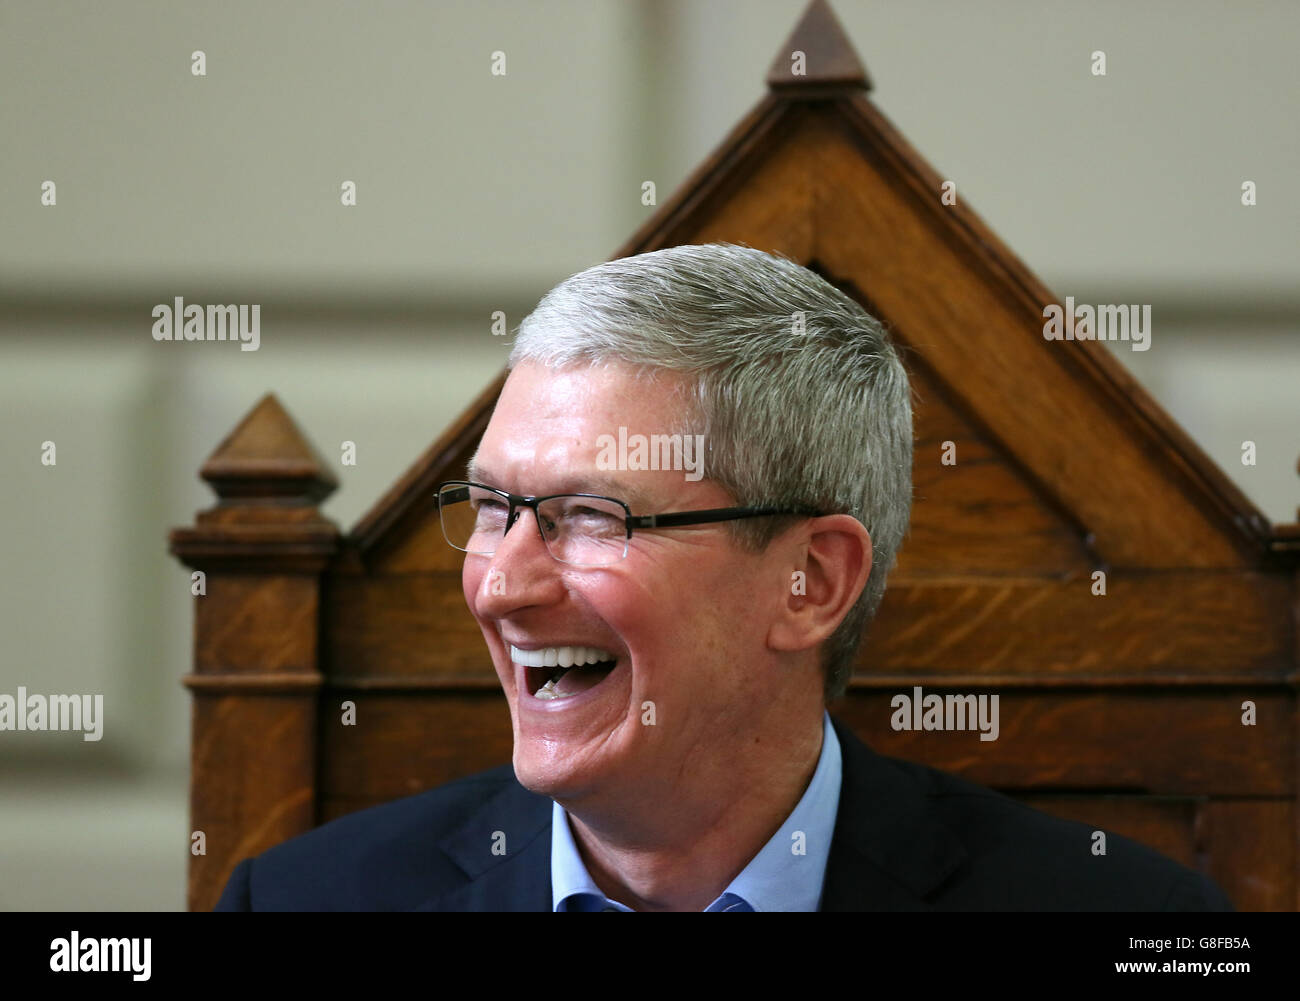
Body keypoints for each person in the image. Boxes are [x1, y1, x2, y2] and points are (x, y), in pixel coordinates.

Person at [216, 243, 1232, 911]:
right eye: (491, 507)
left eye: (590, 515)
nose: (500, 586)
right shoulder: (303, 902)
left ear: (811, 580)